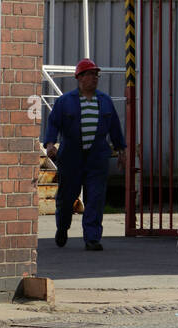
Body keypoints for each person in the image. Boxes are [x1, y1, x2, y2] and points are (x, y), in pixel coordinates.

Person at [44, 58, 127, 251]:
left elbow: (115, 127)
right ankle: (62, 227)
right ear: (79, 78)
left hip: (97, 157)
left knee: (96, 198)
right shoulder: (65, 101)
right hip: (71, 157)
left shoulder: (105, 101)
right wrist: (49, 144)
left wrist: (122, 151)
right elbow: (53, 123)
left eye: (96, 75)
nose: (94, 78)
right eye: (90, 74)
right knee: (66, 198)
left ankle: (92, 238)